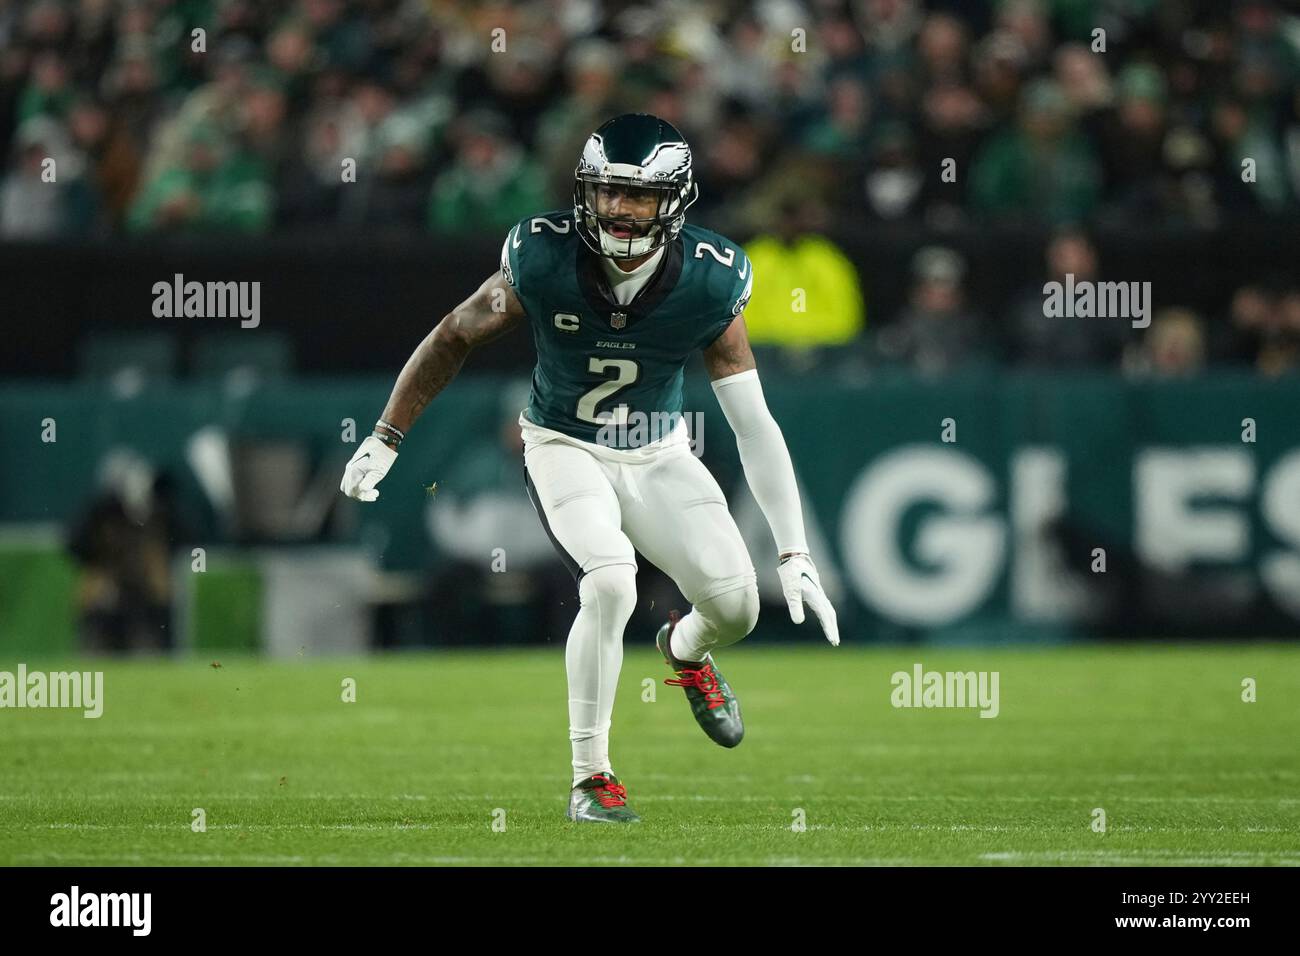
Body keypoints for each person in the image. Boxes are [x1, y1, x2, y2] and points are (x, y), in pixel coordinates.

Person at [340, 113, 839, 823]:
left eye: (639, 197)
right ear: (585, 192)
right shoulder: (543, 257)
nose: (621, 210)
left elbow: (753, 423)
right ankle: (591, 779)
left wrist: (793, 549)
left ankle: (685, 649)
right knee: (609, 582)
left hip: (661, 452)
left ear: (675, 200)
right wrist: (387, 436)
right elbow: (454, 336)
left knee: (736, 608)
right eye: (609, 193)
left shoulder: (710, 278)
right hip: (563, 445)